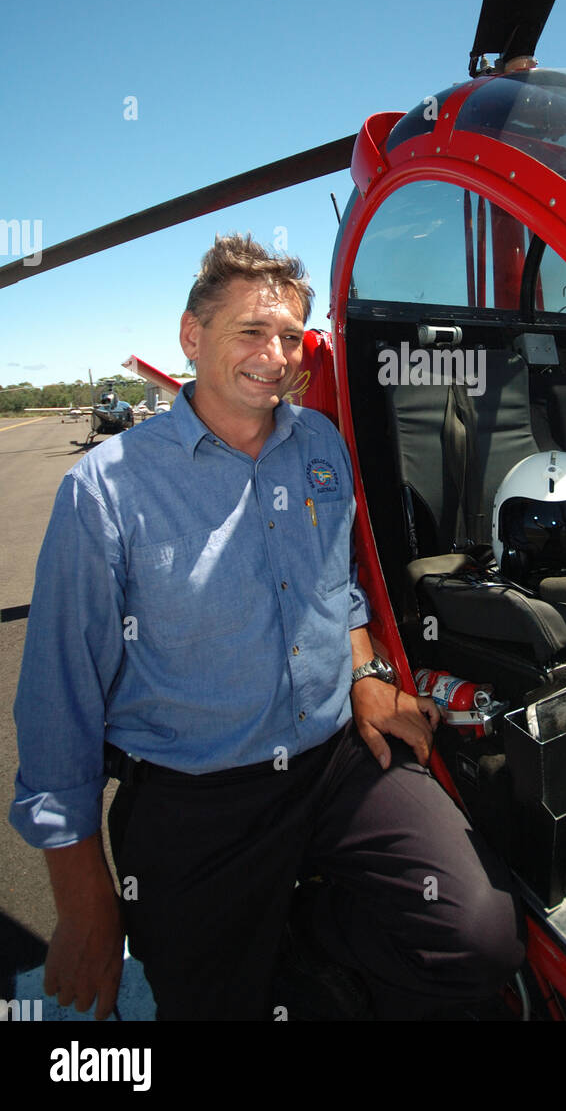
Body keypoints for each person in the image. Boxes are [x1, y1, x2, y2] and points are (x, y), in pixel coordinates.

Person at [10, 233, 525, 1021]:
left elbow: (336, 586)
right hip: (196, 795)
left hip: (334, 765)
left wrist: (364, 676)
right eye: (250, 331)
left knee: (477, 936)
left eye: (289, 337)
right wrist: (83, 902)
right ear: (192, 336)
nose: (275, 355)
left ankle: (297, 939)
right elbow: (58, 698)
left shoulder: (319, 445)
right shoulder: (105, 491)